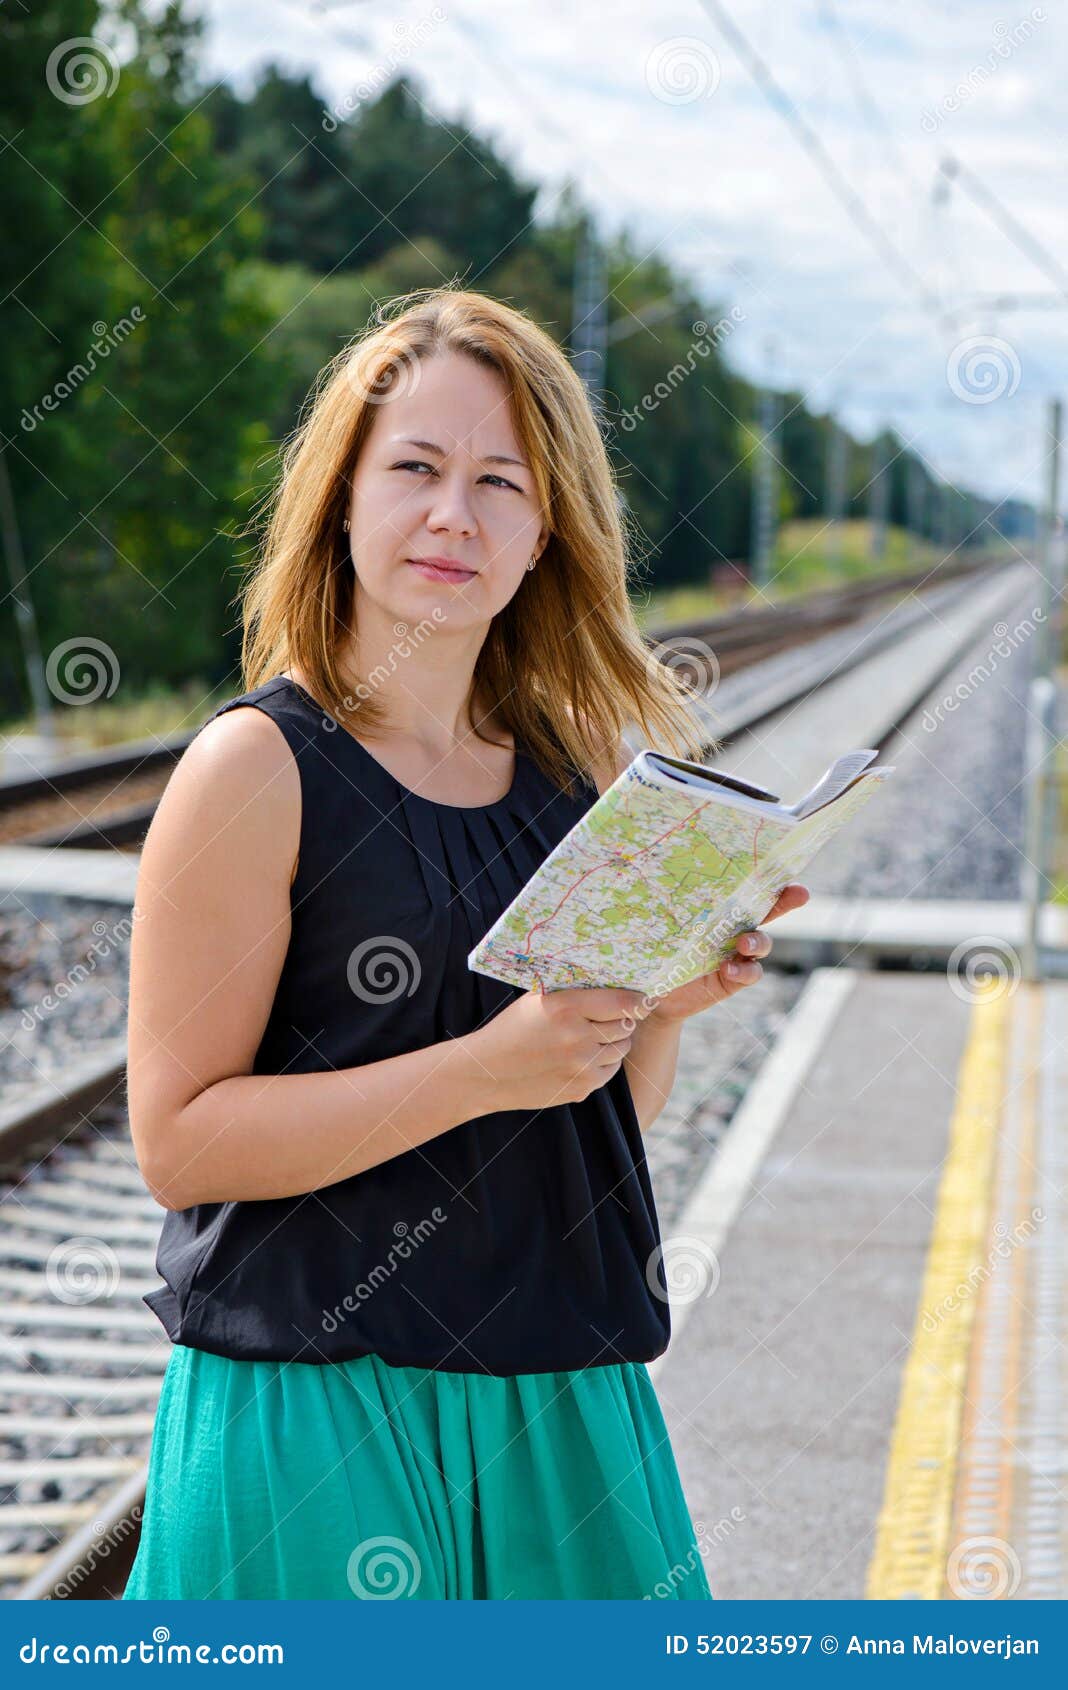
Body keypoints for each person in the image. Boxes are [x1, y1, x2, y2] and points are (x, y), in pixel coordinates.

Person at [122, 287, 808, 1600]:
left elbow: (587, 1115)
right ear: (341, 498)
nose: (455, 514)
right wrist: (490, 1065)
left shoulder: (583, 776)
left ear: (547, 532)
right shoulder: (255, 770)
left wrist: (656, 1004)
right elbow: (179, 1141)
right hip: (315, 1410)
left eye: (502, 482)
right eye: (418, 469)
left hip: (561, 1404)